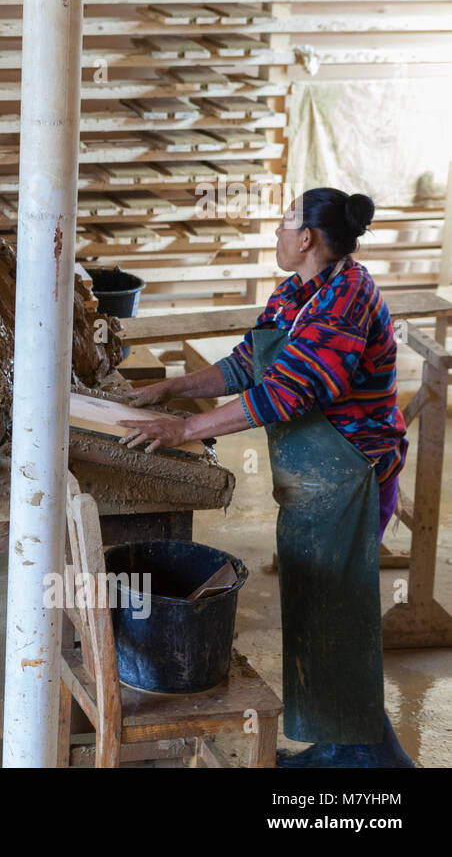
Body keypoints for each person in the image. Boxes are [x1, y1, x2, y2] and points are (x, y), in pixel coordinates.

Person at [119, 188, 414, 768]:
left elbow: (284, 393)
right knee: (320, 615)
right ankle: (343, 749)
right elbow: (249, 364)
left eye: (284, 225)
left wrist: (184, 431)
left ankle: (372, 763)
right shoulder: (297, 291)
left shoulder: (348, 300)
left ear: (306, 238)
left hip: (352, 478)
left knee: (339, 620)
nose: (277, 235)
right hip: (314, 482)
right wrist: (172, 388)